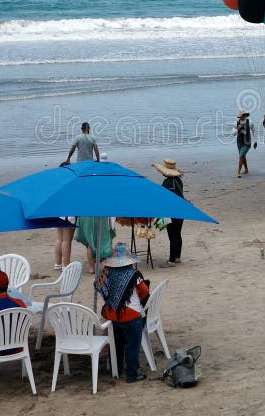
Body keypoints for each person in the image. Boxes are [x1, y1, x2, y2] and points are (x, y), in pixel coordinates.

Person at [95, 250, 149, 383]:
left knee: (117, 345)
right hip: (132, 315)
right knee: (132, 345)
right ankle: (132, 374)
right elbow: (144, 292)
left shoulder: (107, 273)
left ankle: (116, 368)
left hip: (113, 317)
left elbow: (100, 288)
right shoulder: (133, 274)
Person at [65, 122, 109, 273]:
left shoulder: (78, 137)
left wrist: (68, 158)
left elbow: (72, 149)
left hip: (79, 166)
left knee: (80, 185)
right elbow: (97, 150)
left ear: (80, 129)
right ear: (88, 129)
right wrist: (97, 160)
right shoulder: (92, 138)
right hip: (90, 165)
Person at [153, 158, 184, 267]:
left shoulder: (167, 182)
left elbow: (163, 199)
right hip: (181, 209)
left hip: (172, 212)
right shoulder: (179, 180)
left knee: (172, 235)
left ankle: (171, 260)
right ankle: (177, 257)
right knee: (178, 233)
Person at [235, 109, 254, 177]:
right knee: (243, 156)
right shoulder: (237, 122)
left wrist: (255, 141)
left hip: (247, 141)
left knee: (241, 155)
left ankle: (238, 172)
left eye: (245, 115)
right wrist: (238, 129)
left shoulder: (250, 122)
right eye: (242, 115)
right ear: (240, 116)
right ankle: (246, 170)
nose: (243, 116)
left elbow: (254, 131)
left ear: (246, 115)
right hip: (239, 141)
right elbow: (233, 134)